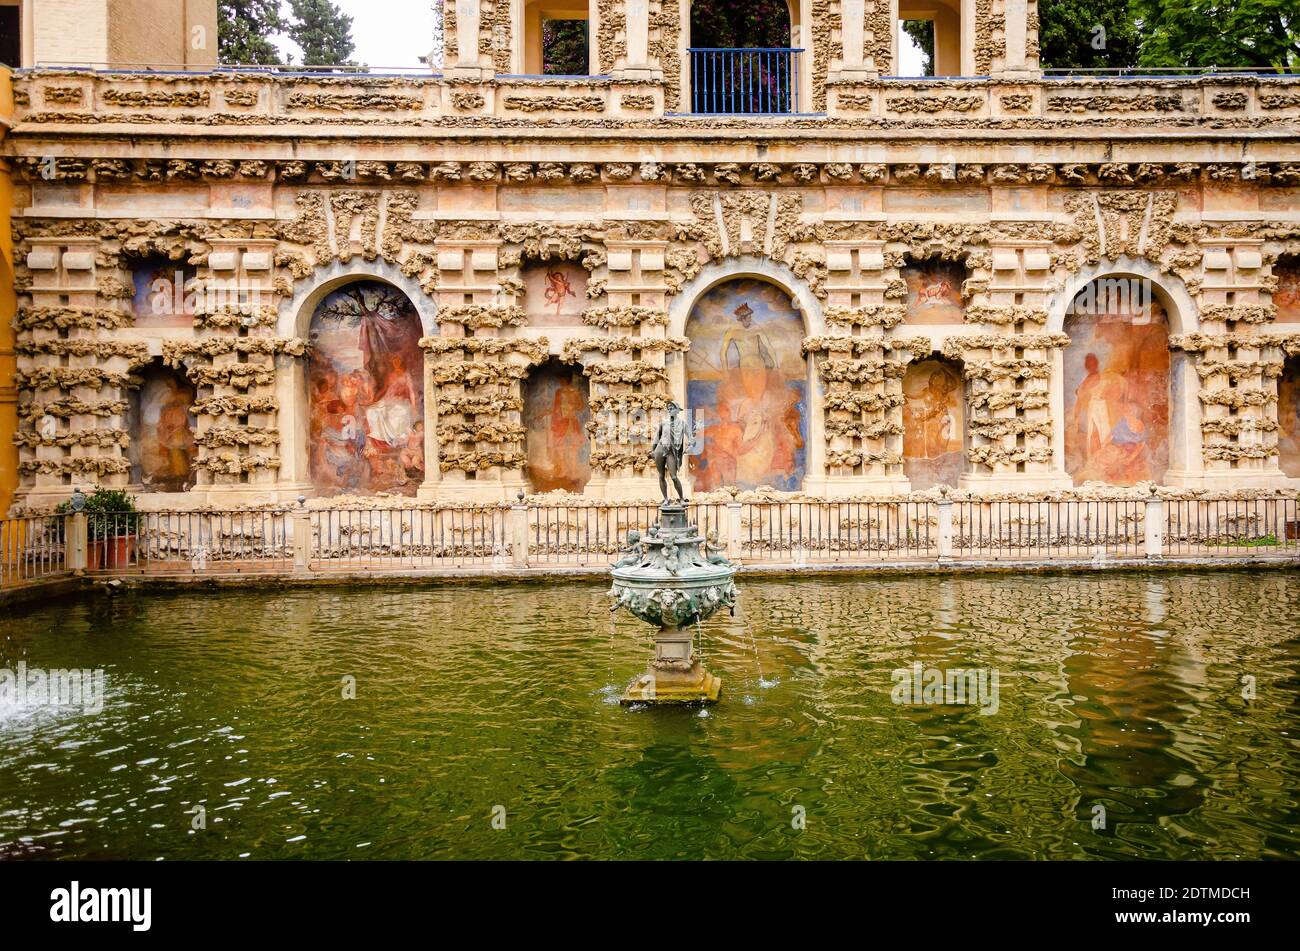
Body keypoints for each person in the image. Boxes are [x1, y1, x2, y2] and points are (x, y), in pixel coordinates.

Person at [650, 401, 690, 503]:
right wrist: (652, 450)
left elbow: (690, 437)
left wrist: (689, 446)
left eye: (672, 408)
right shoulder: (664, 422)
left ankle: (681, 498)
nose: (669, 410)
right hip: (660, 448)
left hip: (672, 451)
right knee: (661, 475)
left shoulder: (682, 423)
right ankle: (666, 499)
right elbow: (656, 437)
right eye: (668, 408)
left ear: (677, 410)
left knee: (674, 476)